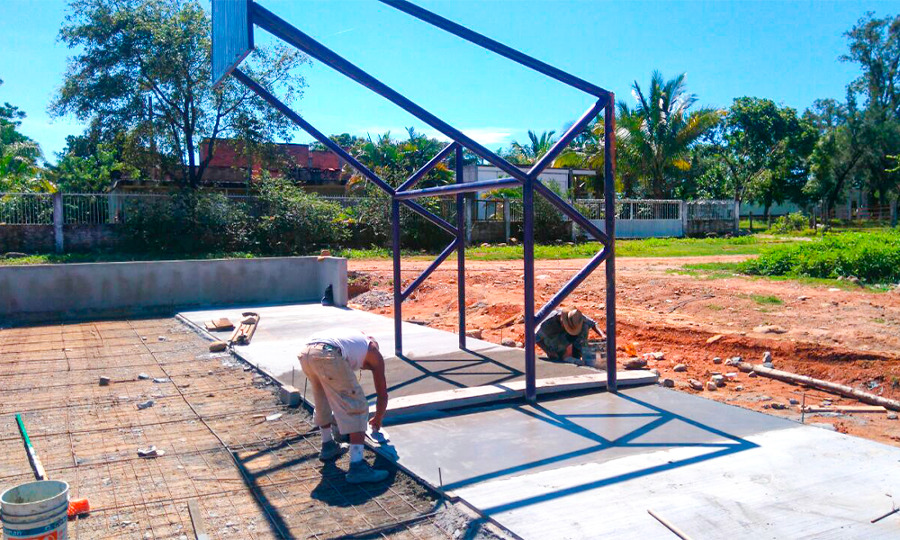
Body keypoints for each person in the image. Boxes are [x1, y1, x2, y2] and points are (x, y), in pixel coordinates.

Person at [298, 328, 389, 484]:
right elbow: (382, 394)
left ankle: (328, 445)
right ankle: (357, 467)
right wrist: (378, 419)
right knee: (357, 405)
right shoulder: (373, 351)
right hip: (327, 353)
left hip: (306, 352)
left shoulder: (353, 340)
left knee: (322, 398)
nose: (363, 368)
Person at [535, 308, 602, 365]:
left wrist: (602, 335)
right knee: (558, 343)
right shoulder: (547, 323)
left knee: (585, 325)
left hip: (567, 336)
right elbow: (535, 338)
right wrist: (548, 351)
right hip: (555, 338)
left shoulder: (575, 316)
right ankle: (563, 355)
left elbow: (593, 323)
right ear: (563, 322)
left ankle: (579, 352)